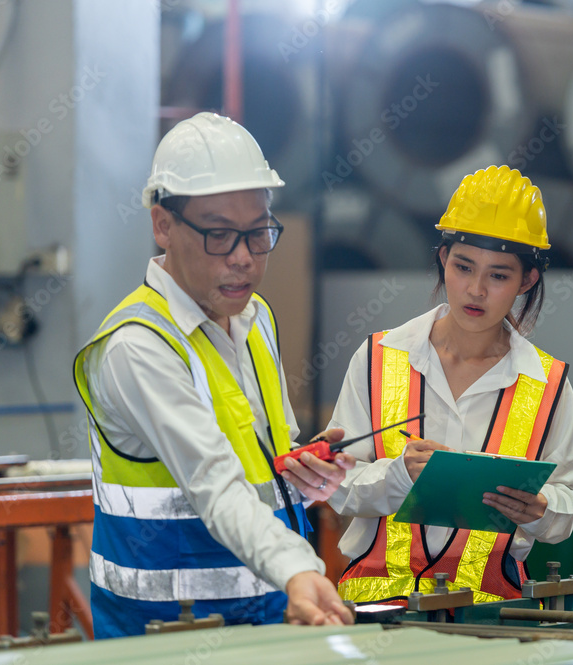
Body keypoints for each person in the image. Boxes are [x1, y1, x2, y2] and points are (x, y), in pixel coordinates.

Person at [73, 112, 354, 638]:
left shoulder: (254, 319)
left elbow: (258, 466)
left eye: (259, 233)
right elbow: (214, 483)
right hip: (163, 637)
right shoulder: (139, 346)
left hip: (268, 616)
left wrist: (303, 476)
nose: (244, 258)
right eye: (220, 235)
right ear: (163, 225)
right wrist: (299, 568)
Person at [326, 165, 573, 605]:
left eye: (498, 275)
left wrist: (541, 508)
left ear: (527, 280)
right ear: (444, 258)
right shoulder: (378, 359)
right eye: (464, 267)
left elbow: (567, 506)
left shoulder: (547, 385)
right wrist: (399, 474)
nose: (476, 290)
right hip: (378, 609)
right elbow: (337, 484)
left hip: (490, 617)